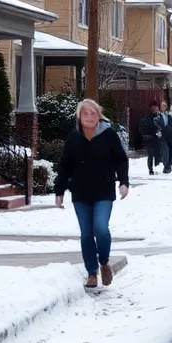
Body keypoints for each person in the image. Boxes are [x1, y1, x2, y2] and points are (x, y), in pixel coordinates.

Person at [55, 99, 130, 289]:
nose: (89, 117)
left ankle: (104, 262)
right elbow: (65, 166)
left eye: (92, 113)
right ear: (79, 117)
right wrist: (59, 191)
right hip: (80, 192)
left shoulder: (109, 135)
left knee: (101, 229)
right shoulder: (73, 138)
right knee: (86, 234)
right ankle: (91, 273)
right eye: (85, 113)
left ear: (99, 115)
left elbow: (121, 160)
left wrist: (123, 182)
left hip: (103, 190)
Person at [138, 99, 172, 175]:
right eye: (154, 107)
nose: (156, 108)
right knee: (152, 154)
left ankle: (166, 165)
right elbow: (145, 127)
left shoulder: (165, 116)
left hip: (159, 137)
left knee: (166, 152)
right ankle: (151, 168)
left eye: (156, 107)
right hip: (150, 138)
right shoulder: (149, 117)